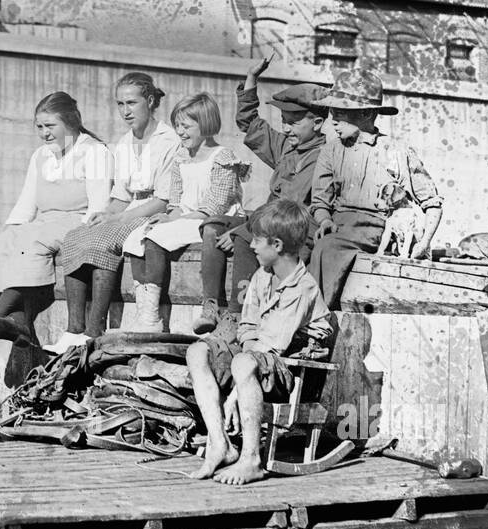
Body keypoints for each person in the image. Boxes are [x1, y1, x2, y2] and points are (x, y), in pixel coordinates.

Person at [0, 92, 114, 384]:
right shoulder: (40, 156)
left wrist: (83, 229)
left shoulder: (94, 152)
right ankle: (18, 323)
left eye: (51, 126)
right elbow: (27, 202)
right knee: (3, 244)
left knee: (33, 243)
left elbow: (100, 204)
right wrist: (7, 229)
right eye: (39, 127)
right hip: (45, 219)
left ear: (70, 122)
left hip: (78, 219)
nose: (45, 133)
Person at [185, 199, 334, 485]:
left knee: (243, 360)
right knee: (197, 351)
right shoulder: (261, 276)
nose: (251, 246)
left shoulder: (302, 288)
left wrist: (234, 396)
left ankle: (251, 459)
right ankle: (220, 445)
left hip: (290, 373)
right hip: (254, 363)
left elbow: (273, 344)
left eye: (256, 241)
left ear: (276, 245)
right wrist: (243, 354)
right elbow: (248, 326)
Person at [48, 72, 179, 354]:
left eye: (131, 103)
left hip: (154, 212)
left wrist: (118, 219)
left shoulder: (169, 140)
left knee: (103, 241)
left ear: (151, 100)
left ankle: (94, 330)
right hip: (129, 209)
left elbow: (164, 200)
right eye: (120, 104)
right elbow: (120, 196)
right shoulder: (122, 143)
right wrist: (105, 214)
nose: (125, 111)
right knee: (77, 236)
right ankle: (73, 330)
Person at [198, 54, 329, 334]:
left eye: (292, 122)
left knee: (246, 239)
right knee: (214, 225)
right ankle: (211, 306)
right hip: (267, 223)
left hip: (293, 232)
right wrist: (251, 79)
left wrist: (246, 228)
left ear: (317, 123)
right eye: (283, 120)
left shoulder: (324, 158)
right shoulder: (287, 147)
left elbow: (289, 207)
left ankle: (237, 316)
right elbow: (250, 123)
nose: (284, 128)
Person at [308, 69, 444, 309]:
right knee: (286, 243)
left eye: (340, 113)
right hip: (334, 224)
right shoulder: (331, 151)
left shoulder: (395, 151)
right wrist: (324, 220)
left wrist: (423, 244)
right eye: (331, 113)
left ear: (366, 113)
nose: (333, 121)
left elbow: (432, 202)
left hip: (374, 227)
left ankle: (316, 328)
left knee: (328, 249)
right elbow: (320, 201)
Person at [121, 93, 247, 331]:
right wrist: (168, 218)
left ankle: (152, 316)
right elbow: (177, 202)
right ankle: (144, 311)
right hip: (189, 219)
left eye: (186, 126)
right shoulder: (181, 157)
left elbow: (214, 206)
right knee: (137, 236)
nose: (180, 131)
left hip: (216, 219)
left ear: (206, 125)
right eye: (177, 125)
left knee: (155, 237)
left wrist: (174, 223)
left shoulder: (222, 157)